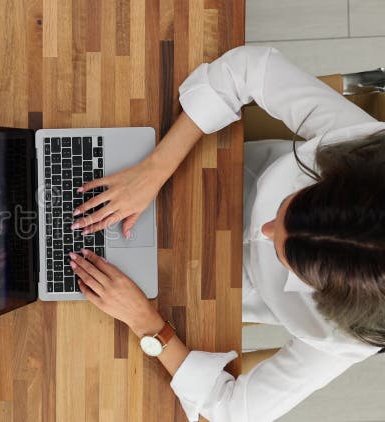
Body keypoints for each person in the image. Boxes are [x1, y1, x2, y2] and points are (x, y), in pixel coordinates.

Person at [69, 45, 385, 421]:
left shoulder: (348, 336)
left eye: (286, 257)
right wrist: (156, 167)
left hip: (204, 288)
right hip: (207, 169)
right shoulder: (361, 153)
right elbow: (250, 68)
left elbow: (234, 413)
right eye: (289, 204)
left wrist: (146, 323)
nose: (265, 229)